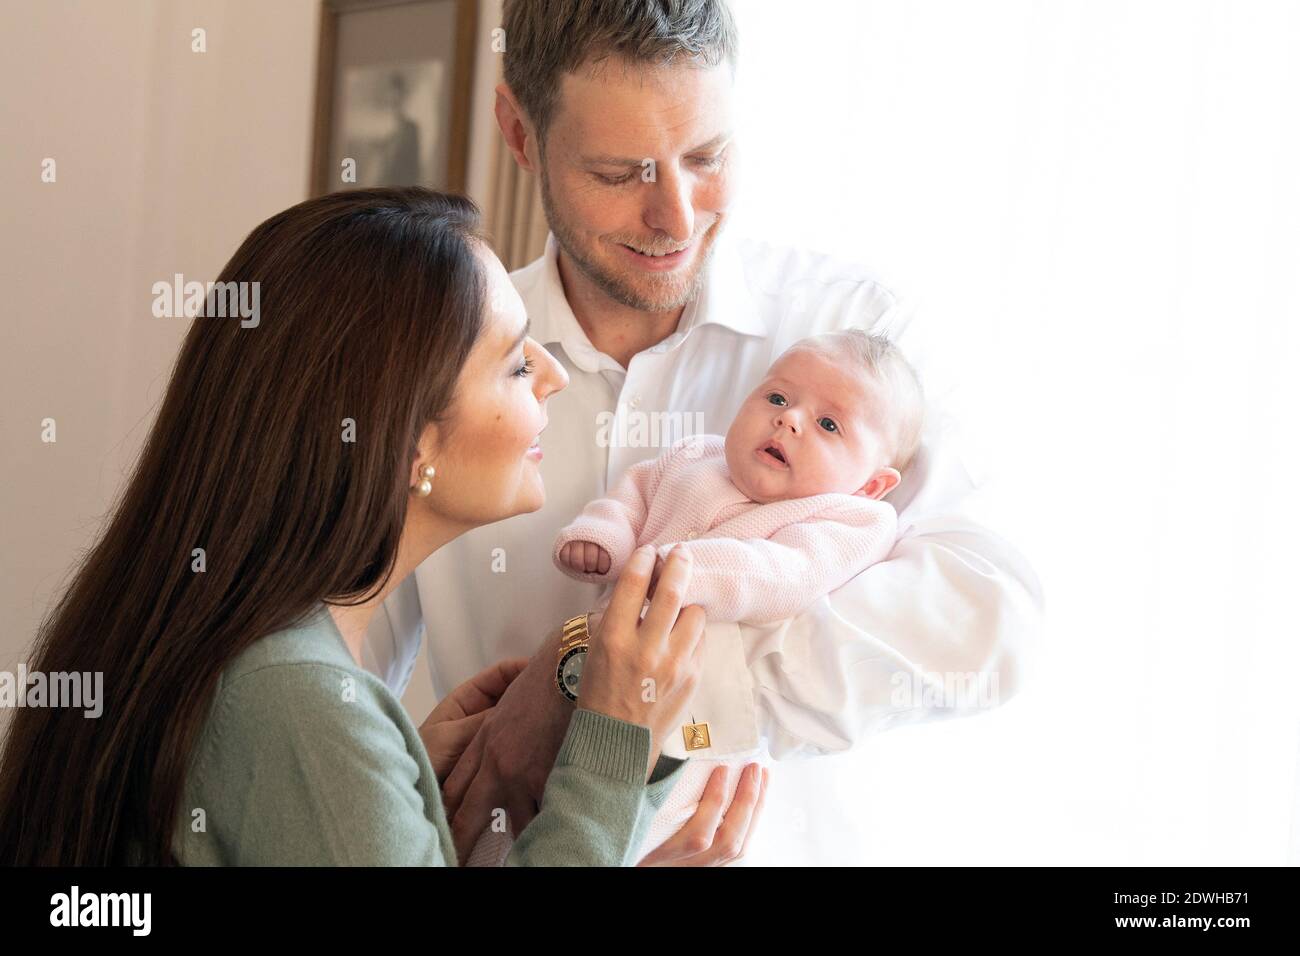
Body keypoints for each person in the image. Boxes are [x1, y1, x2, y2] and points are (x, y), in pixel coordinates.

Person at [366, 0, 1044, 865]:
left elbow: (989, 620)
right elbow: (336, 663)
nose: (678, 219)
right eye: (621, 173)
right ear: (519, 132)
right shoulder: (437, 358)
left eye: (707, 157)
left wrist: (587, 689)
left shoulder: (860, 337)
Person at [0, 187, 765, 866]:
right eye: (514, 364)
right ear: (407, 441)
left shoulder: (277, 677)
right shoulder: (297, 704)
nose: (554, 374)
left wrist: (398, 799)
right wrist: (609, 755)